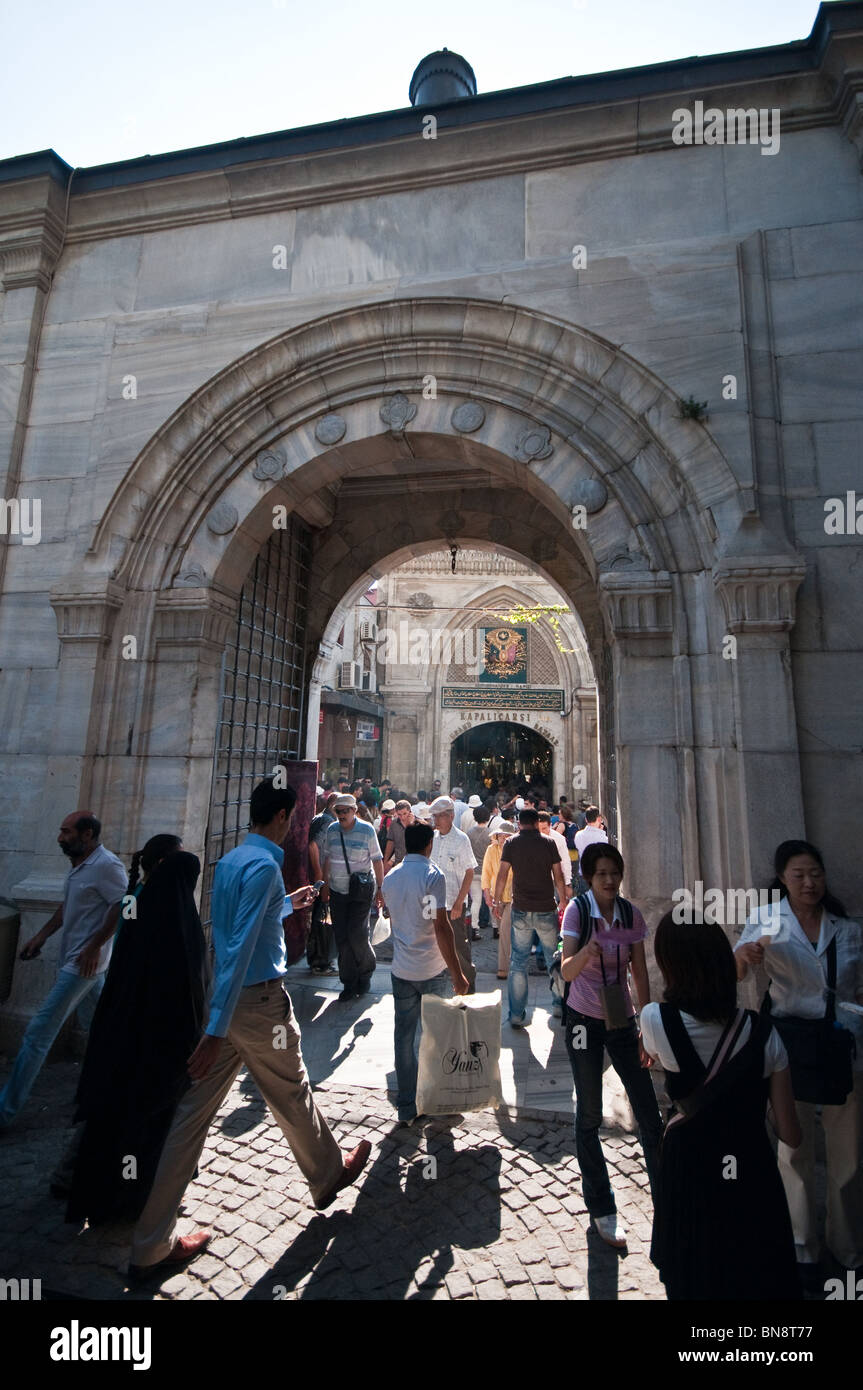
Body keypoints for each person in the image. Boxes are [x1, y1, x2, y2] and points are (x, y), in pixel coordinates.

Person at [127, 777, 371, 1280]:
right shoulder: (264, 865)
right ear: (282, 818)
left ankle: (150, 1241)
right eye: (290, 820)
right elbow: (238, 948)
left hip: (232, 1002)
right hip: (256, 1004)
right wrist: (214, 1030)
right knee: (292, 1087)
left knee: (192, 1115)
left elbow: (237, 927)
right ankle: (327, 1175)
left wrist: (287, 904)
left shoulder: (234, 860)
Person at [642, 912, 801, 1300]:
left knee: (692, 1273)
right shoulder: (764, 1032)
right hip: (749, 1166)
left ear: (669, 966)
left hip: (689, 1167)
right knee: (750, 1271)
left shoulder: (654, 1019)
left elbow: (654, 1055)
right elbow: (791, 1133)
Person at [735, 839, 863, 1287]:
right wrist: (747, 955)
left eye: (816, 874)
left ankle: (848, 1248)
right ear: (782, 880)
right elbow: (738, 970)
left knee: (847, 1152)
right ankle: (803, 1247)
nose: (809, 883)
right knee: (794, 1148)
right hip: (789, 1048)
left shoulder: (846, 927)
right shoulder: (769, 921)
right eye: (798, 875)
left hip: (841, 1047)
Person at [64, 838, 209, 1225]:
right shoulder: (164, 917)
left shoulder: (139, 899)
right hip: (153, 1038)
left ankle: (87, 1182)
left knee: (115, 1110)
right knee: (141, 1117)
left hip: (124, 1025)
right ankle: (133, 1198)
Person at [560, 841, 662, 1248]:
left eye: (614, 873)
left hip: (621, 1018)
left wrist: (648, 1025)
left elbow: (639, 970)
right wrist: (589, 950)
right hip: (583, 1018)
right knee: (588, 1115)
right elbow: (567, 971)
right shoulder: (578, 911)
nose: (609, 880)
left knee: (650, 1115)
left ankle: (668, 1200)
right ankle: (602, 1207)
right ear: (589, 877)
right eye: (601, 873)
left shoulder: (629, 914)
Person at [0, 812, 127, 1131]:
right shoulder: (79, 867)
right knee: (102, 1031)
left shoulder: (106, 866)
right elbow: (68, 907)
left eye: (66, 832)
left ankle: (4, 1111)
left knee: (38, 1033)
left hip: (83, 965)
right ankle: (115, 1090)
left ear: (87, 834)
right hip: (78, 959)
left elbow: (122, 905)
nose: (60, 837)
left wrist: (94, 946)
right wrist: (41, 936)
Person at [381, 822, 470, 1124]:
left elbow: (396, 920)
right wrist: (458, 973)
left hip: (401, 969)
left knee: (404, 1038)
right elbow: (441, 927)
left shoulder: (391, 877)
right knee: (436, 1037)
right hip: (432, 969)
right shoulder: (433, 877)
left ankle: (407, 1106)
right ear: (430, 844)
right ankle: (437, 1101)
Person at [492, 807, 566, 1028]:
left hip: (521, 908)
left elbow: (502, 874)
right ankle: (558, 1005)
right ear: (536, 823)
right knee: (554, 958)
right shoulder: (549, 843)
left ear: (519, 823)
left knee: (518, 962)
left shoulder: (512, 843)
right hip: (545, 907)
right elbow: (558, 875)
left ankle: (516, 1014)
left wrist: (496, 901)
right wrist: (563, 900)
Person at [321, 793, 384, 1001]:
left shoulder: (366, 830)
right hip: (338, 891)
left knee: (357, 934)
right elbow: (327, 859)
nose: (341, 815)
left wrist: (381, 890)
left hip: (361, 891)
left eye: (345, 811)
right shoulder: (332, 830)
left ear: (354, 811)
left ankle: (365, 972)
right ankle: (348, 982)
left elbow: (377, 860)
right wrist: (325, 886)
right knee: (342, 937)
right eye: (338, 811)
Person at [430, 796, 478, 993]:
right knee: (433, 943)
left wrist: (459, 902)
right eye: (434, 816)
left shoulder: (461, 839)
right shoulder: (432, 838)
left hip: (453, 902)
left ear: (450, 816)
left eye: (439, 816)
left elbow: (469, 871)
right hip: (433, 902)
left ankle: (468, 985)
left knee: (458, 945)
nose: (435, 820)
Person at [306, 793, 338, 973]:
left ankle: (318, 959)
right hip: (323, 879)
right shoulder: (327, 822)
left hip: (321, 877)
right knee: (323, 920)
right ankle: (320, 961)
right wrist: (320, 874)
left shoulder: (321, 817)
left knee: (321, 918)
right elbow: (313, 845)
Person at [482, 820, 516, 979]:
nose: (503, 838)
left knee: (505, 931)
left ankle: (504, 968)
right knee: (504, 932)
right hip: (497, 895)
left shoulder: (518, 850)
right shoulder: (491, 850)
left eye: (506, 835)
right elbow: (486, 872)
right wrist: (487, 894)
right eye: (501, 835)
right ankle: (512, 964)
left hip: (513, 895)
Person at [467, 805, 493, 937]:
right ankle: (496, 927)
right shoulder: (491, 833)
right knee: (490, 900)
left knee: (476, 900)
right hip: (488, 872)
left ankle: (474, 927)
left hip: (474, 870)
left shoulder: (469, 833)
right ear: (488, 817)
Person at [383, 799, 416, 871]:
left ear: (410, 812)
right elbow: (390, 842)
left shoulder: (417, 824)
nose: (403, 817)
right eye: (399, 815)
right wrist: (386, 861)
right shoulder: (394, 823)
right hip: (398, 863)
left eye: (405, 814)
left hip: (414, 864)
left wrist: (410, 825)